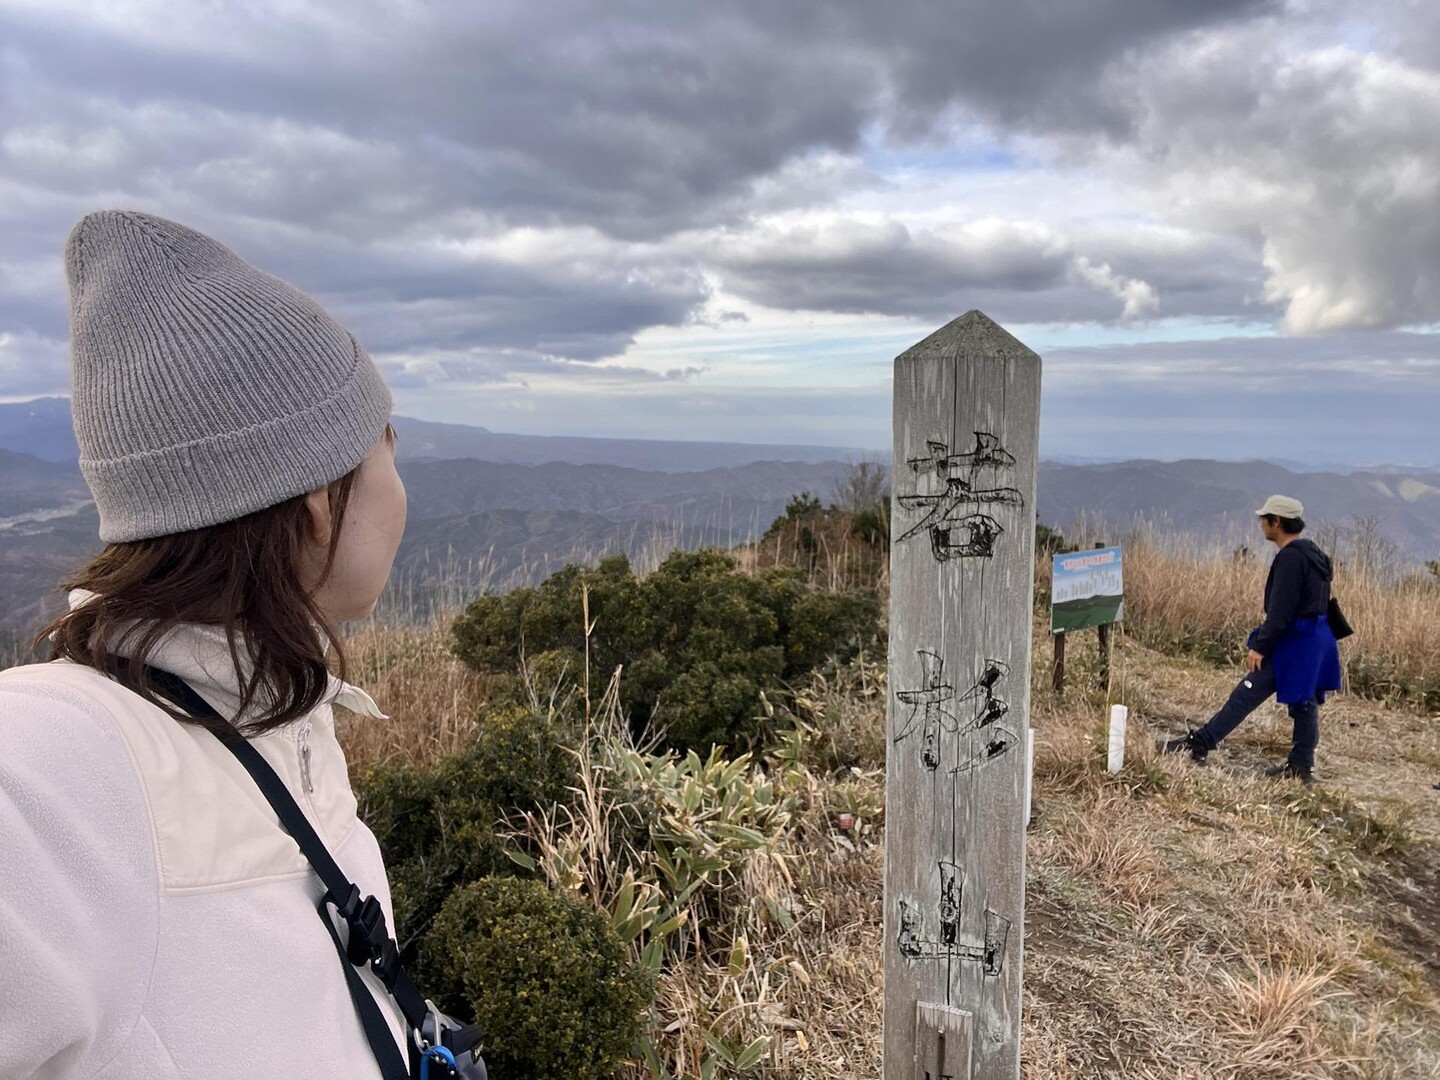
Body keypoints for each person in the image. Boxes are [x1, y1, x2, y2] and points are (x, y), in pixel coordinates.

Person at [0, 210, 408, 1077]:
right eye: (389, 451)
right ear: (315, 508)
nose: (401, 491)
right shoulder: (56, 763)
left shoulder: (277, 711)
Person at [1160, 496, 1342, 784]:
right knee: (1305, 703)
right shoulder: (1313, 553)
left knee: (1247, 692)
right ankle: (1300, 765)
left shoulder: (1291, 558)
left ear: (1277, 522)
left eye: (1264, 518)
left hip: (1295, 643)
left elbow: (1281, 611)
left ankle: (1200, 743)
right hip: (1315, 641)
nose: (1260, 524)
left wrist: (1260, 646)